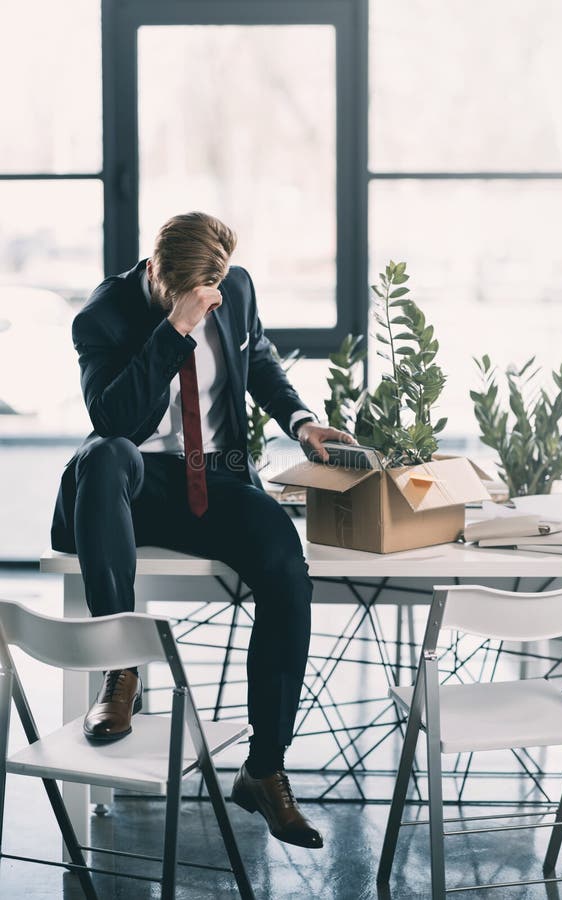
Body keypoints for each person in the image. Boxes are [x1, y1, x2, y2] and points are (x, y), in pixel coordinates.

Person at [51, 211, 355, 849]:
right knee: (103, 455)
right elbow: (113, 417)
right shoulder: (102, 314)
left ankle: (265, 767)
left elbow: (261, 360)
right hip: (135, 481)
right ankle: (122, 670)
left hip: (215, 478)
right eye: (187, 296)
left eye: (208, 298)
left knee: (283, 563)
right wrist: (175, 328)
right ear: (157, 270)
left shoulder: (235, 289)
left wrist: (300, 420)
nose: (203, 305)